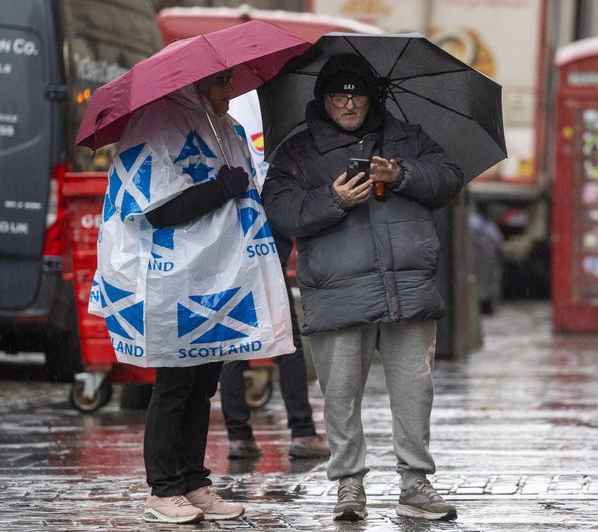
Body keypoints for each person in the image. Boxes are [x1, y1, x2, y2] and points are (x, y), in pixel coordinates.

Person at [262, 53, 462, 522]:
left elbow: (448, 178)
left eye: (356, 94)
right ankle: (349, 485)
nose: (348, 104)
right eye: (338, 95)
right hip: (337, 291)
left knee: (416, 391)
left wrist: (402, 174)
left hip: (407, 288)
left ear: (371, 96)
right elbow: (280, 209)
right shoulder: (297, 152)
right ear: (323, 99)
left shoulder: (408, 139)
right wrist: (333, 199)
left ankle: (415, 484)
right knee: (340, 395)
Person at [92, 69, 287, 524]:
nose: (230, 92)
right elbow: (155, 208)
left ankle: (194, 482)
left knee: (203, 386)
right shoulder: (156, 127)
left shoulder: (227, 128)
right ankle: (162, 489)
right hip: (170, 282)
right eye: (222, 84)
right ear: (197, 84)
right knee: (175, 386)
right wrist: (221, 188)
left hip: (217, 276)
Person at [220, 237, 330, 460]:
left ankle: (239, 437)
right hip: (266, 256)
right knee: (287, 345)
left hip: (228, 260)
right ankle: (303, 433)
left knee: (232, 348)